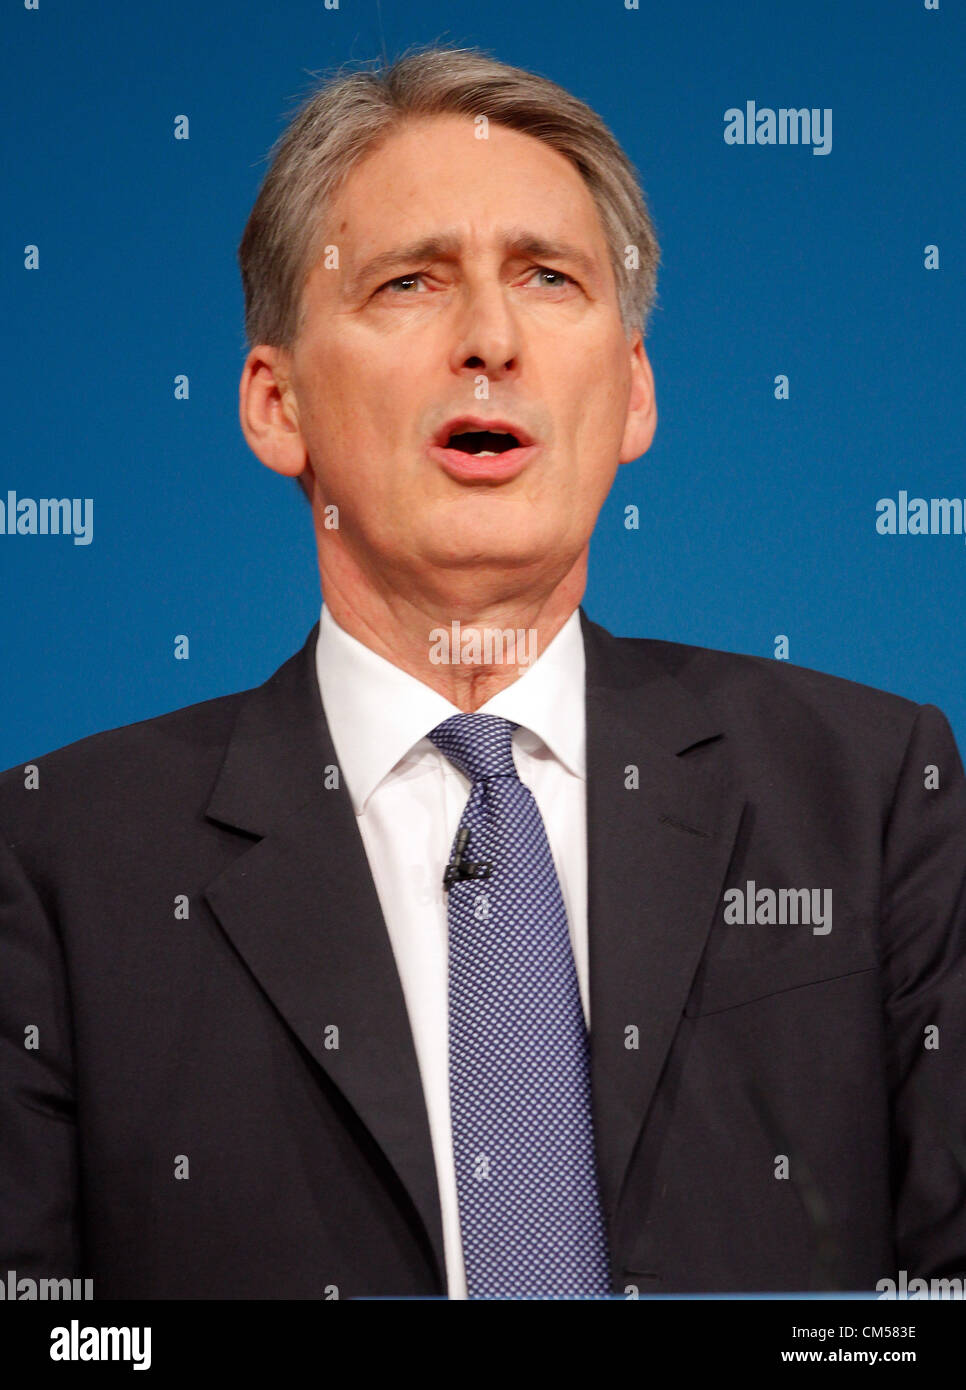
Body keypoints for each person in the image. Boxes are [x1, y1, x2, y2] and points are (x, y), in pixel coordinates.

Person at [1, 46, 964, 1301]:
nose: (491, 339)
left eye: (548, 278)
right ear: (274, 403)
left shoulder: (875, 797)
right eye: (409, 281)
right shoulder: (57, 860)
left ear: (630, 394)